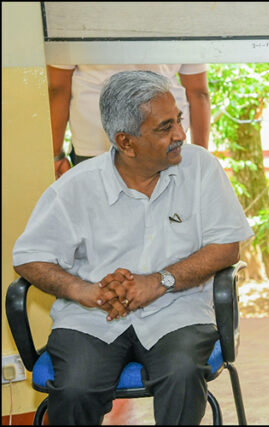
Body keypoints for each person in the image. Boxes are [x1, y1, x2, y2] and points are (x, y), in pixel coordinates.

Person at [12, 70, 253, 425]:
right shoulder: (76, 187)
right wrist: (84, 291)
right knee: (75, 387)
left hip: (177, 310)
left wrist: (159, 281)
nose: (180, 134)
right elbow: (30, 257)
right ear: (126, 142)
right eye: (165, 127)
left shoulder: (202, 168)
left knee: (182, 372)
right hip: (92, 318)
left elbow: (226, 247)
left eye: (179, 120)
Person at [47, 64, 211, 178]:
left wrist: (55, 154)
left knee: (98, 214)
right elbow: (198, 93)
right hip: (164, 141)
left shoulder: (70, 23)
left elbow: (58, 89)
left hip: (93, 138)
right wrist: (200, 161)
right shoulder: (184, 23)